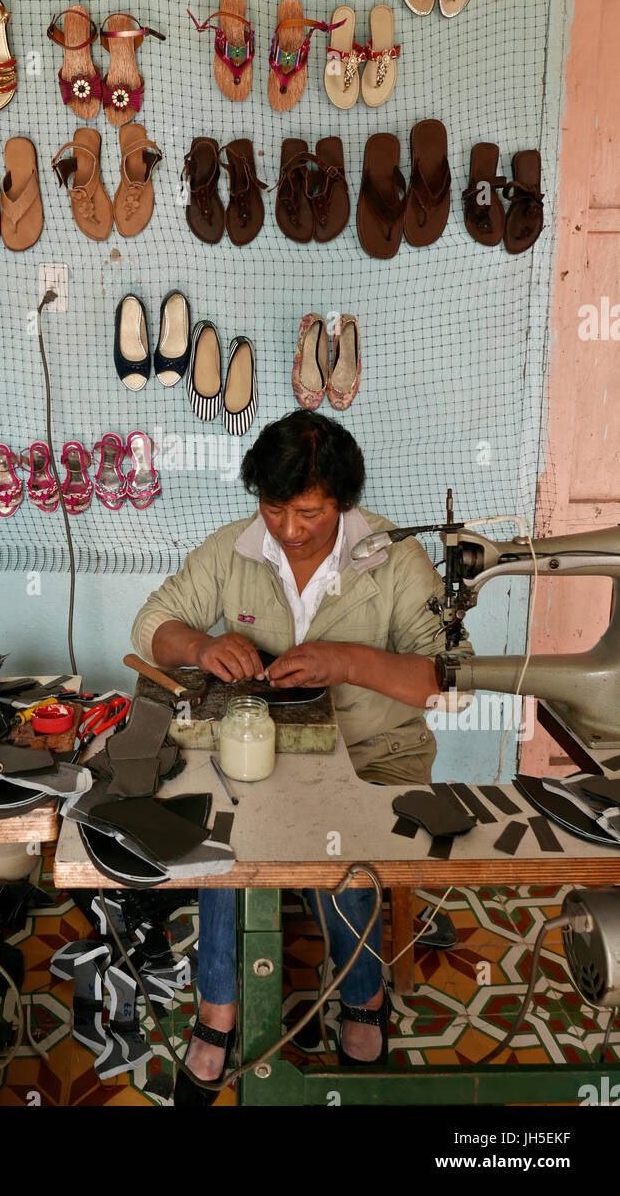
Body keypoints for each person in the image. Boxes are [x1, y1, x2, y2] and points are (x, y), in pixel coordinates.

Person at [129, 410, 473, 1104]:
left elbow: (451, 676)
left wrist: (349, 661)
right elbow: (151, 627)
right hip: (260, 749)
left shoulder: (392, 557)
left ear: (341, 502)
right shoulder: (235, 548)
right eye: (273, 508)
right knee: (218, 842)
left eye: (308, 512)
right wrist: (199, 647)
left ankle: (362, 998)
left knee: (337, 850)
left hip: (379, 749)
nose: (287, 529)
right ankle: (219, 1006)